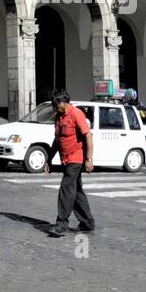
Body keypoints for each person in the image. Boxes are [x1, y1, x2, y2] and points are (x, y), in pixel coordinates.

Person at [44, 90, 95, 237]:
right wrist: (49, 159)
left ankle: (61, 224)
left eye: (55, 105)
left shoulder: (76, 114)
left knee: (66, 188)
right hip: (65, 159)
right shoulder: (59, 117)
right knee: (76, 191)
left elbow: (88, 136)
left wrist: (89, 159)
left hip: (76, 158)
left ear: (63, 103)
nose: (54, 108)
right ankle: (87, 223)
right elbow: (57, 140)